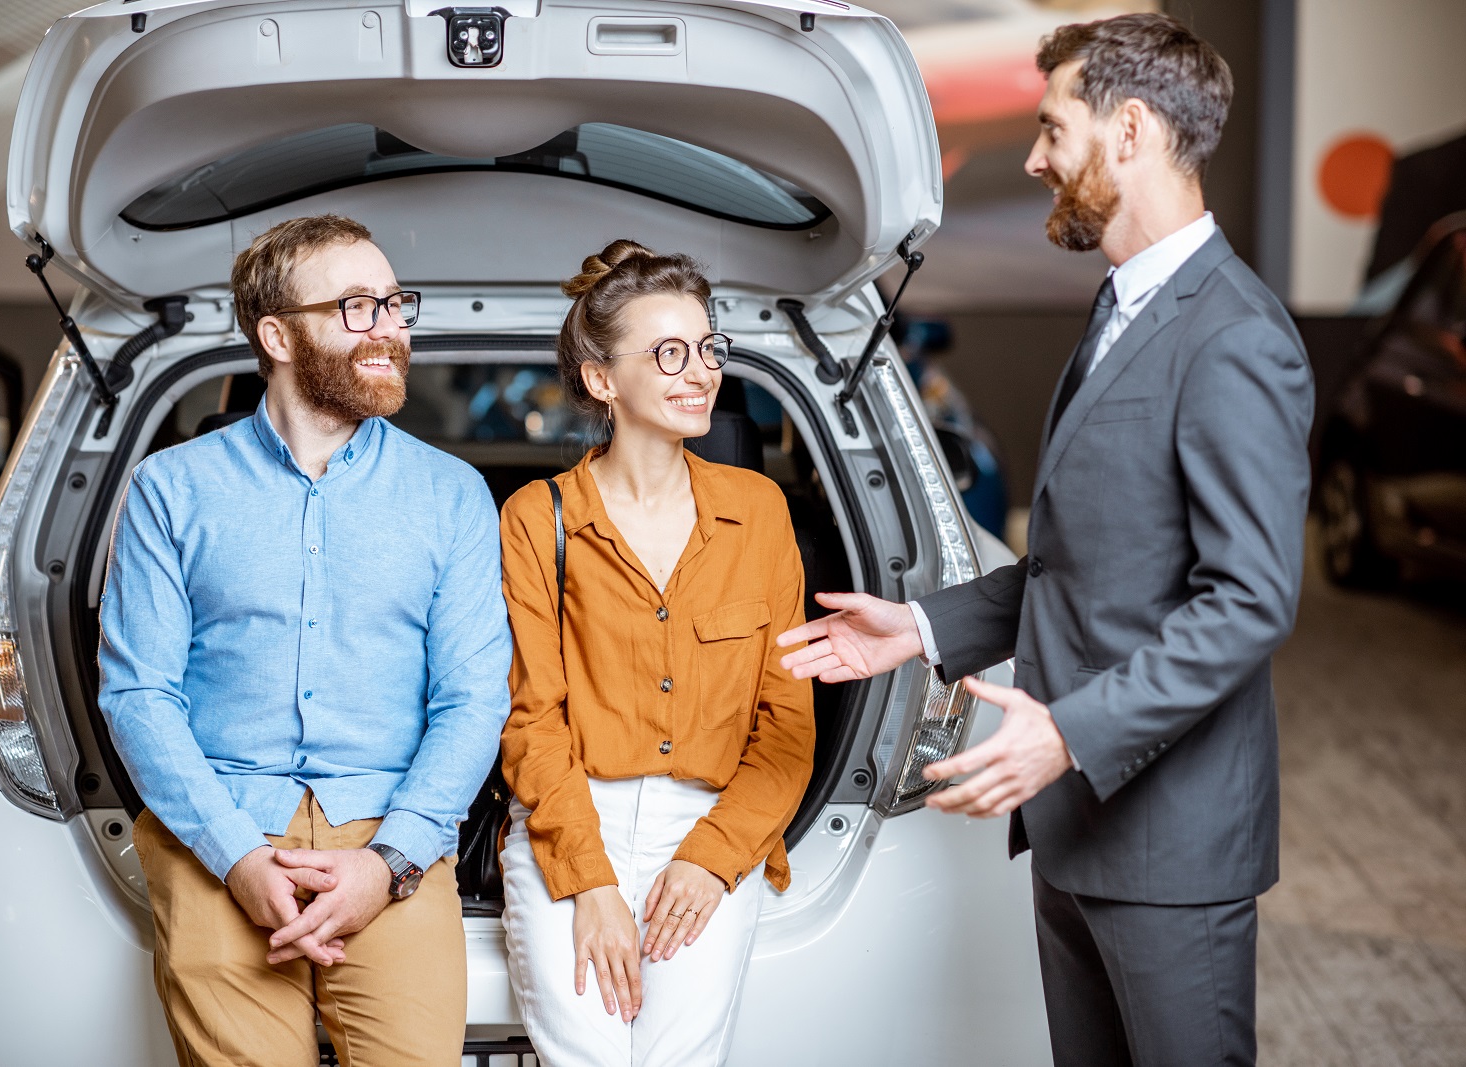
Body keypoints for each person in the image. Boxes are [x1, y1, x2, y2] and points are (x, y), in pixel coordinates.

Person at [778, 15, 1312, 1067]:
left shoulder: (1235, 335)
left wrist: (1067, 733)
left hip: (1169, 846)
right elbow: (1089, 568)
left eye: (1051, 128)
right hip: (1075, 830)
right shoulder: (1122, 310)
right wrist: (922, 627)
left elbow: (1249, 601)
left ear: (1130, 130)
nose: (1032, 159)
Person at [99, 214, 511, 1067]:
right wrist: (237, 857)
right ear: (278, 336)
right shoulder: (169, 490)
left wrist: (389, 861)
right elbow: (139, 696)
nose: (391, 328)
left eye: (395, 303)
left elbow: (473, 700)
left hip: (390, 836)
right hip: (218, 832)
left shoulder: (452, 495)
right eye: (358, 306)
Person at [497, 240, 814, 1067]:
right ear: (602, 379)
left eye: (707, 348)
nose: (701, 372)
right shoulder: (537, 518)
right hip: (571, 818)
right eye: (670, 353)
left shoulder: (759, 510)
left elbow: (787, 725)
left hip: (712, 823)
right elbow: (531, 719)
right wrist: (591, 880)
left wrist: (712, 861)